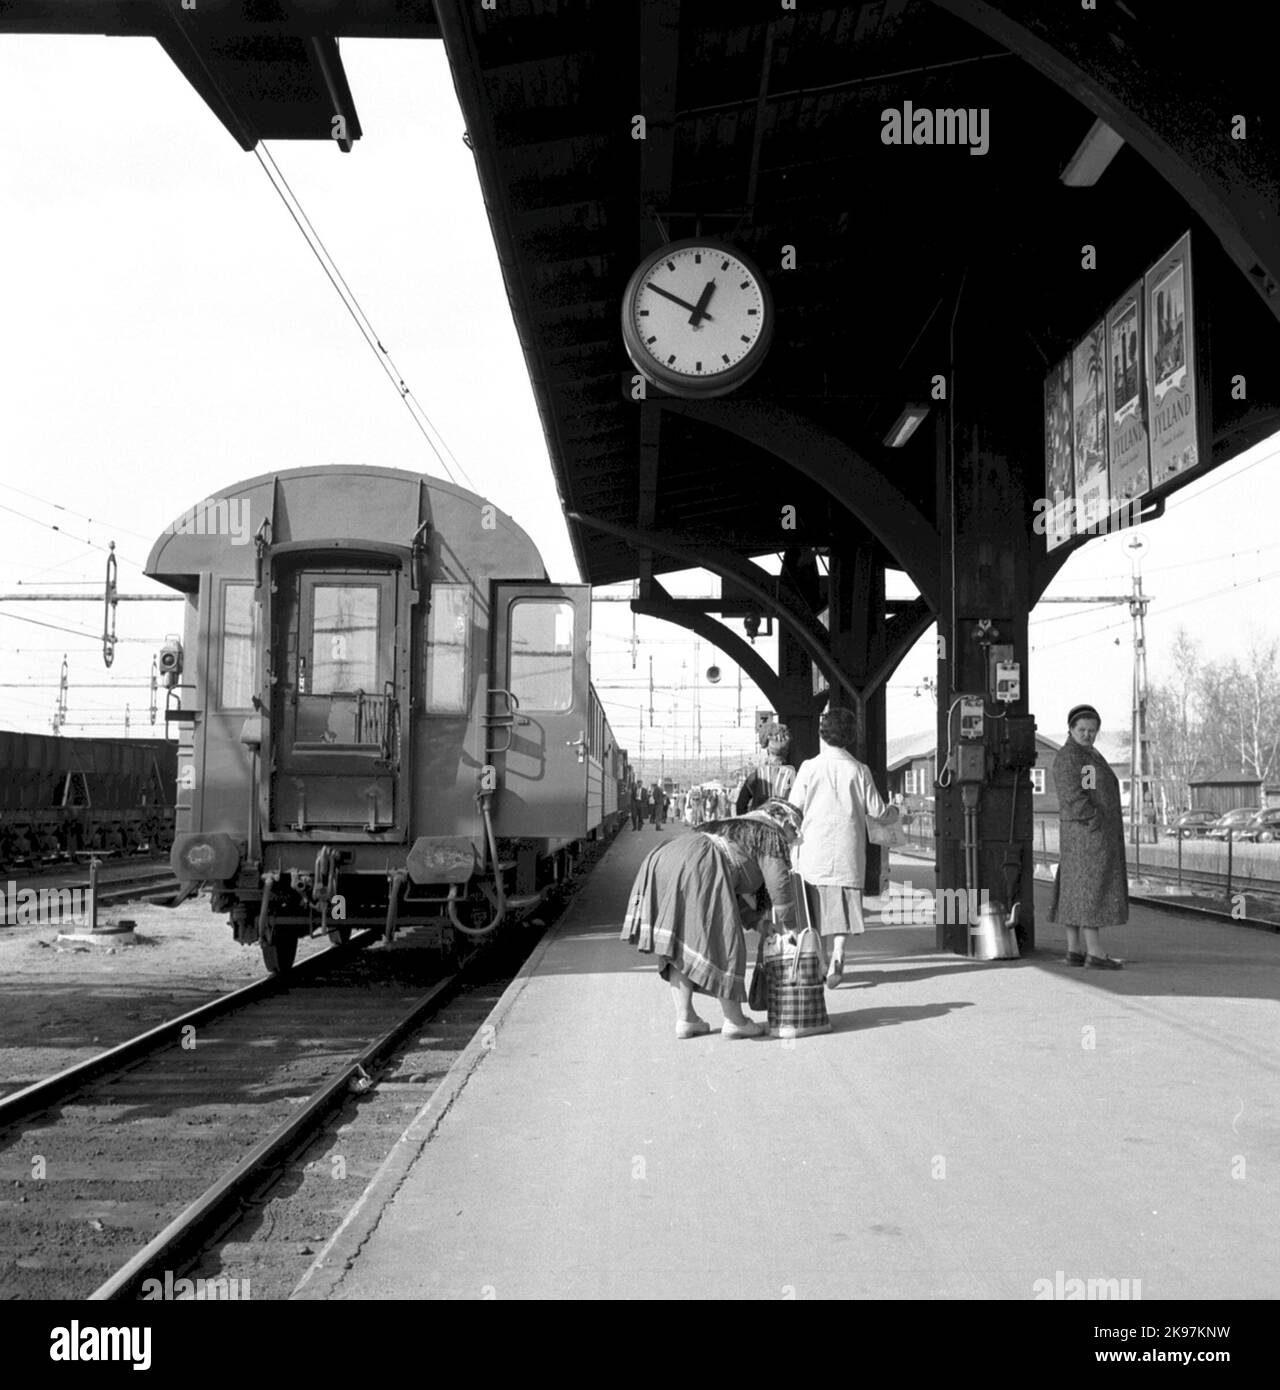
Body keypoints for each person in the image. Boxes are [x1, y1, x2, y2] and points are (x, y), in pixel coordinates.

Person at [622, 798, 801, 1038]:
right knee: (722, 940)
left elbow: (728, 889)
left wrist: (759, 922)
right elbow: (780, 888)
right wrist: (791, 928)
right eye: (794, 829)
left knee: (678, 943)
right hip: (700, 865)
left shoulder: (735, 827)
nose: (795, 837)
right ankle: (735, 1020)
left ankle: (686, 1018)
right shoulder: (770, 835)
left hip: (668, 856)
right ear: (783, 820)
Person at [788, 706, 899, 989]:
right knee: (843, 906)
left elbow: (792, 810)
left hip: (813, 850)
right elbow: (877, 810)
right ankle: (839, 953)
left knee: (816, 907)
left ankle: (822, 962)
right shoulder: (859, 770)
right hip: (847, 850)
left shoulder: (809, 768)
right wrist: (896, 813)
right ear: (850, 737)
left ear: (822, 734)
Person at [1048, 704, 1126, 968]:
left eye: (1092, 731)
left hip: (1081, 835)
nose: (1087, 734)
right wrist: (1095, 821)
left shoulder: (1085, 756)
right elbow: (1074, 796)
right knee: (1091, 890)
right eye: (1082, 729)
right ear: (1070, 729)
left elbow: (1087, 788)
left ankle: (1074, 950)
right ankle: (1095, 953)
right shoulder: (1073, 757)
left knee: (1076, 890)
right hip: (1087, 835)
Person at [736, 720, 796, 814]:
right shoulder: (792, 775)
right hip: (782, 825)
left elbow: (740, 804)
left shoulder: (757, 775)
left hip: (757, 823)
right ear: (786, 752)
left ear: (767, 750)